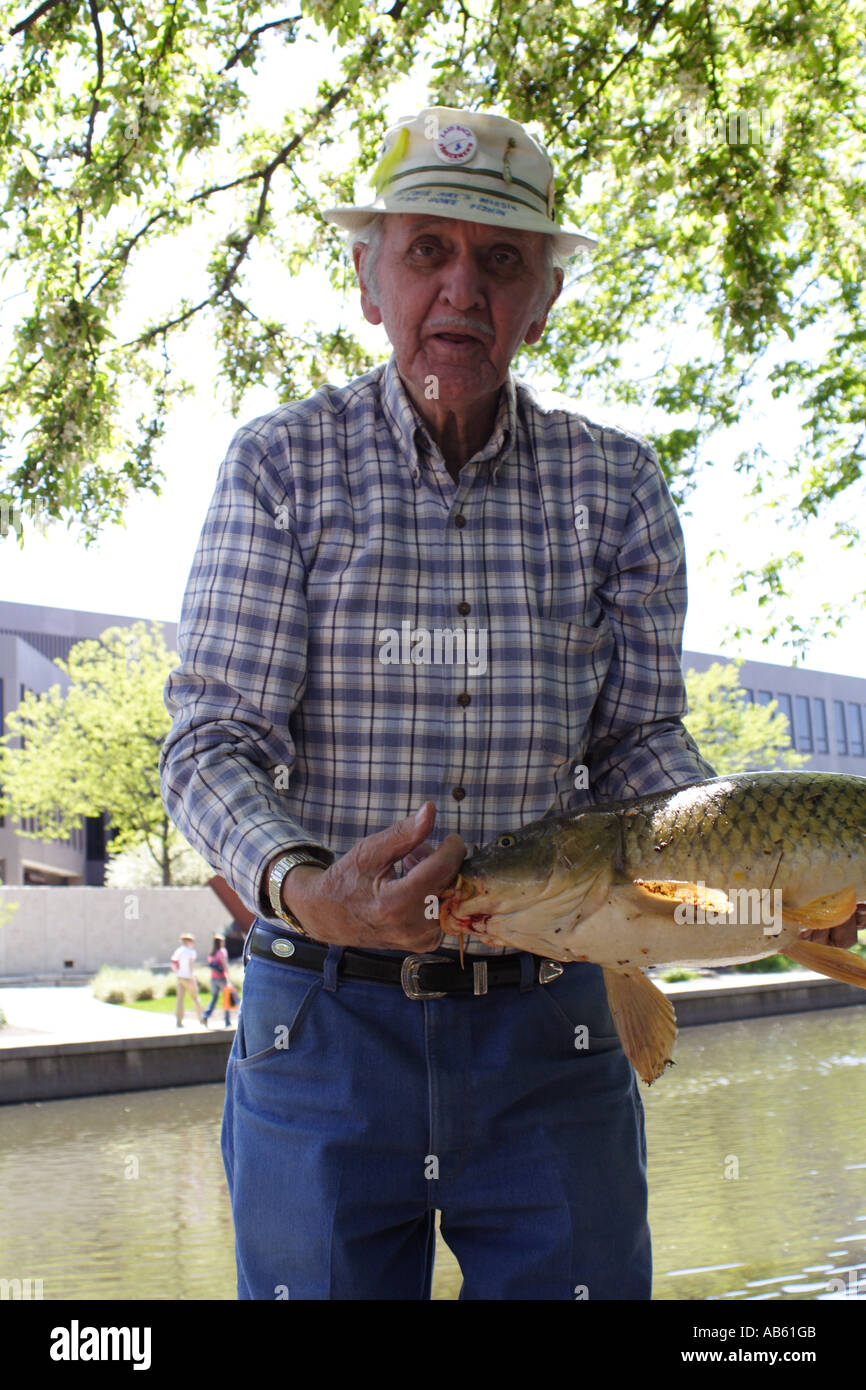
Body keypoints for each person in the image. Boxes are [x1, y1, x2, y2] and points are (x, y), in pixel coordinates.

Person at [160, 106, 859, 1300]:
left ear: (542, 299)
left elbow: (642, 748)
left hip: (553, 1025)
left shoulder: (620, 485)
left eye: (499, 260)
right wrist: (301, 885)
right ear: (369, 280)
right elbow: (211, 743)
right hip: (317, 1027)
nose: (459, 289)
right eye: (424, 249)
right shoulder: (277, 464)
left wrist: (773, 888)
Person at [170, 932, 203, 1029]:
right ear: (188, 941)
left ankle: (179, 1021)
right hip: (188, 978)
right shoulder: (191, 952)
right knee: (196, 998)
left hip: (179, 977)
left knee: (180, 1000)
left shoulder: (179, 951)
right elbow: (190, 967)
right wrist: (193, 979)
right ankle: (202, 1018)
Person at [202, 933, 232, 1028]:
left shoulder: (211, 953)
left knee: (214, 998)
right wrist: (228, 977)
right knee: (226, 998)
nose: (224, 942)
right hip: (222, 978)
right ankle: (227, 1021)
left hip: (213, 978)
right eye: (222, 941)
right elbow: (224, 964)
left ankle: (206, 1015)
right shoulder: (222, 951)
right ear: (220, 942)